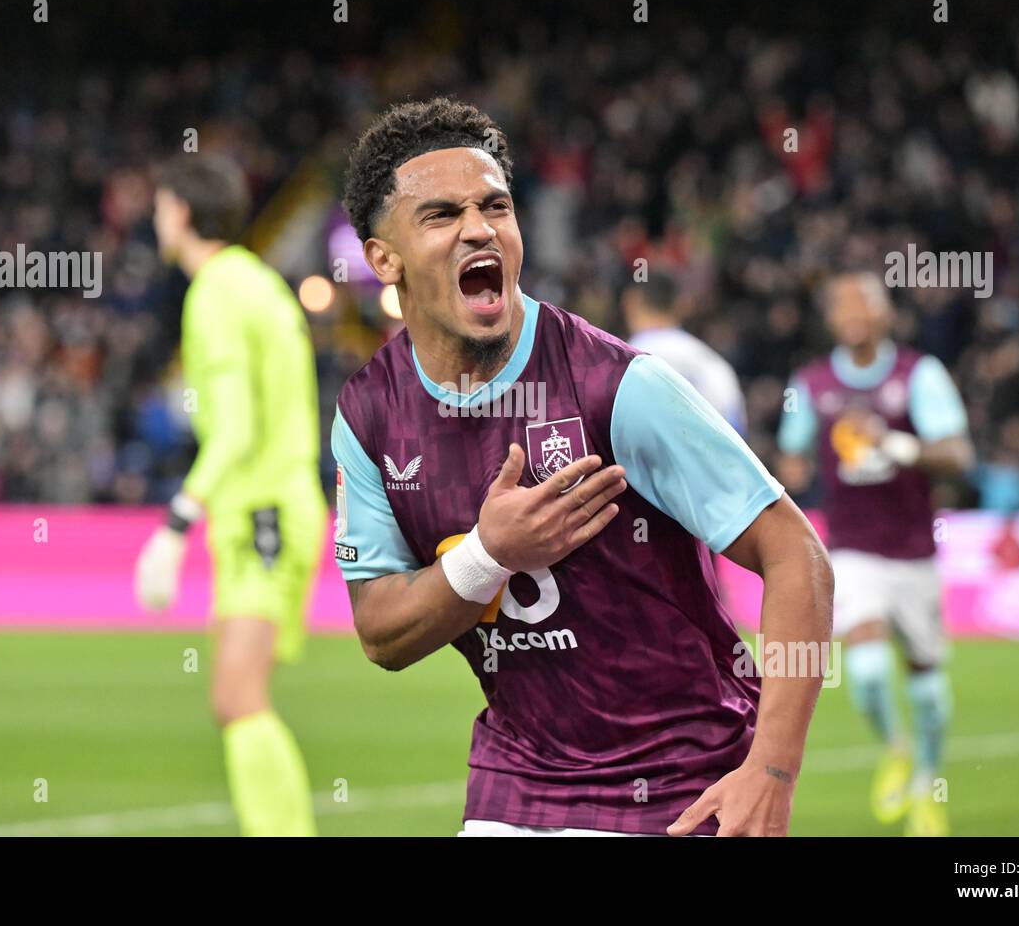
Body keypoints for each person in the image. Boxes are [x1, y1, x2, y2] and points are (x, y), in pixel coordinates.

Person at [332, 97, 833, 836]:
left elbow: (798, 556)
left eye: (495, 207)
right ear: (384, 258)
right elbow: (382, 635)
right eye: (441, 216)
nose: (480, 228)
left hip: (680, 782)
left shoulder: (618, 385)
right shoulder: (369, 414)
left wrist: (772, 769)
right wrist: (489, 555)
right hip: (516, 783)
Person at [134, 154, 326, 836]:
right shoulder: (259, 283)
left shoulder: (215, 291)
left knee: (238, 697)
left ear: (182, 214)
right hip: (279, 506)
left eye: (160, 207)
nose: (155, 219)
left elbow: (237, 428)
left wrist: (177, 519)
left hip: (261, 513)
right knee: (237, 697)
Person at [777, 272, 974, 836]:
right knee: (863, 672)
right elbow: (792, 457)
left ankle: (928, 783)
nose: (855, 311)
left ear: (887, 312)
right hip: (853, 550)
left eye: (866, 300)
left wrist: (893, 442)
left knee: (928, 684)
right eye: (843, 303)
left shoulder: (919, 374)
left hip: (913, 553)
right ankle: (895, 747)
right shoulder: (811, 383)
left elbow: (958, 454)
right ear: (832, 317)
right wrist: (791, 471)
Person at [623, 272, 748, 435]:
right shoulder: (714, 364)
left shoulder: (619, 364)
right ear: (680, 304)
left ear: (631, 302)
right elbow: (737, 436)